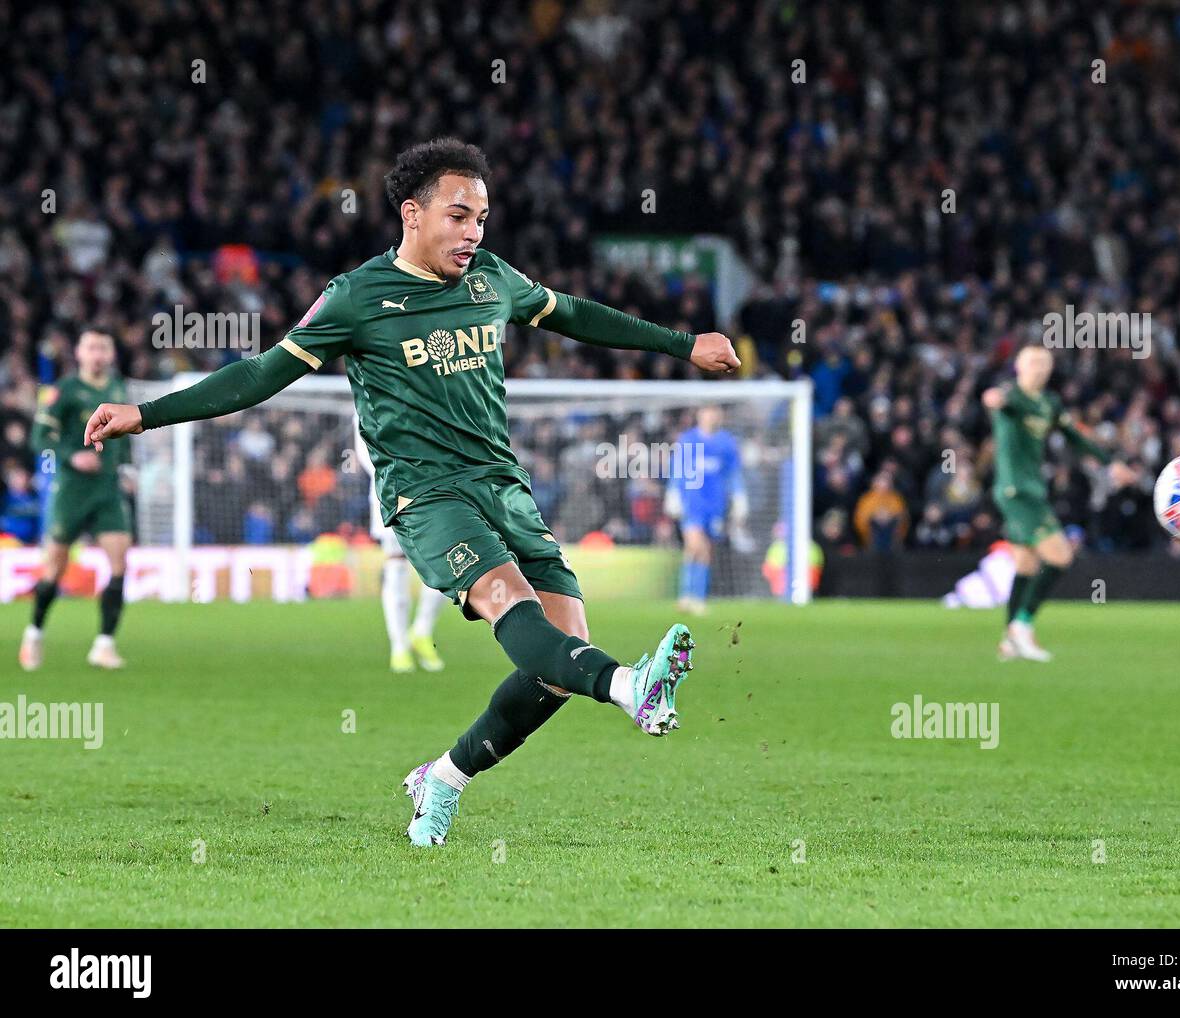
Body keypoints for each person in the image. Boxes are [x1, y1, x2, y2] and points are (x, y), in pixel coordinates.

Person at [83, 138, 740, 847]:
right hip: (426, 494)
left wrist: (681, 345)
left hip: (503, 487)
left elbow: (576, 313)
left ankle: (445, 780)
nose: (473, 233)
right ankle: (629, 688)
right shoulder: (356, 297)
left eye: (482, 219)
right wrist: (147, 413)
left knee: (559, 658)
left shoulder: (492, 279)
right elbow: (260, 374)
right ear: (412, 214)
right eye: (458, 216)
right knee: (507, 604)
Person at [982, 346, 1136, 661]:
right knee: (1060, 556)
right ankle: (1022, 628)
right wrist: (992, 398)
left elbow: (1075, 437)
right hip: (1017, 491)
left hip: (1032, 490)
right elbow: (997, 398)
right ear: (1019, 366)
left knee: (1026, 565)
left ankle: (1010, 640)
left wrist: (1109, 463)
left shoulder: (1049, 403)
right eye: (1033, 362)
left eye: (1044, 363)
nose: (1039, 368)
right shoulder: (1012, 397)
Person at [19, 329, 133, 671]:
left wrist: (127, 468)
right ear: (79, 353)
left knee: (119, 562)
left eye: (103, 347)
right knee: (55, 567)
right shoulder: (63, 391)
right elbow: (40, 439)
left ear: (111, 354)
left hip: (108, 489)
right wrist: (71, 458)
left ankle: (104, 644)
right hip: (71, 489)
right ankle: (35, 632)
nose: (97, 354)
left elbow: (125, 434)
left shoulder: (117, 388)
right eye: (91, 347)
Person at [353, 417, 445, 673]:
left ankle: (422, 630)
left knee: (444, 562)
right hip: (390, 492)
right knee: (396, 568)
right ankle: (399, 646)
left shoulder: (422, 390)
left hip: (431, 489)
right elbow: (365, 452)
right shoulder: (367, 396)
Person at [666, 405, 746, 614]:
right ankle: (689, 596)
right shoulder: (687, 440)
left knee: (704, 550)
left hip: (715, 505)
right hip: (692, 503)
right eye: (707, 411)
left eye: (715, 412)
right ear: (700, 414)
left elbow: (733, 473)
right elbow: (677, 470)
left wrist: (739, 497)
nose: (711, 416)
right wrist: (673, 493)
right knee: (696, 545)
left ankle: (694, 597)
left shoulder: (726, 442)